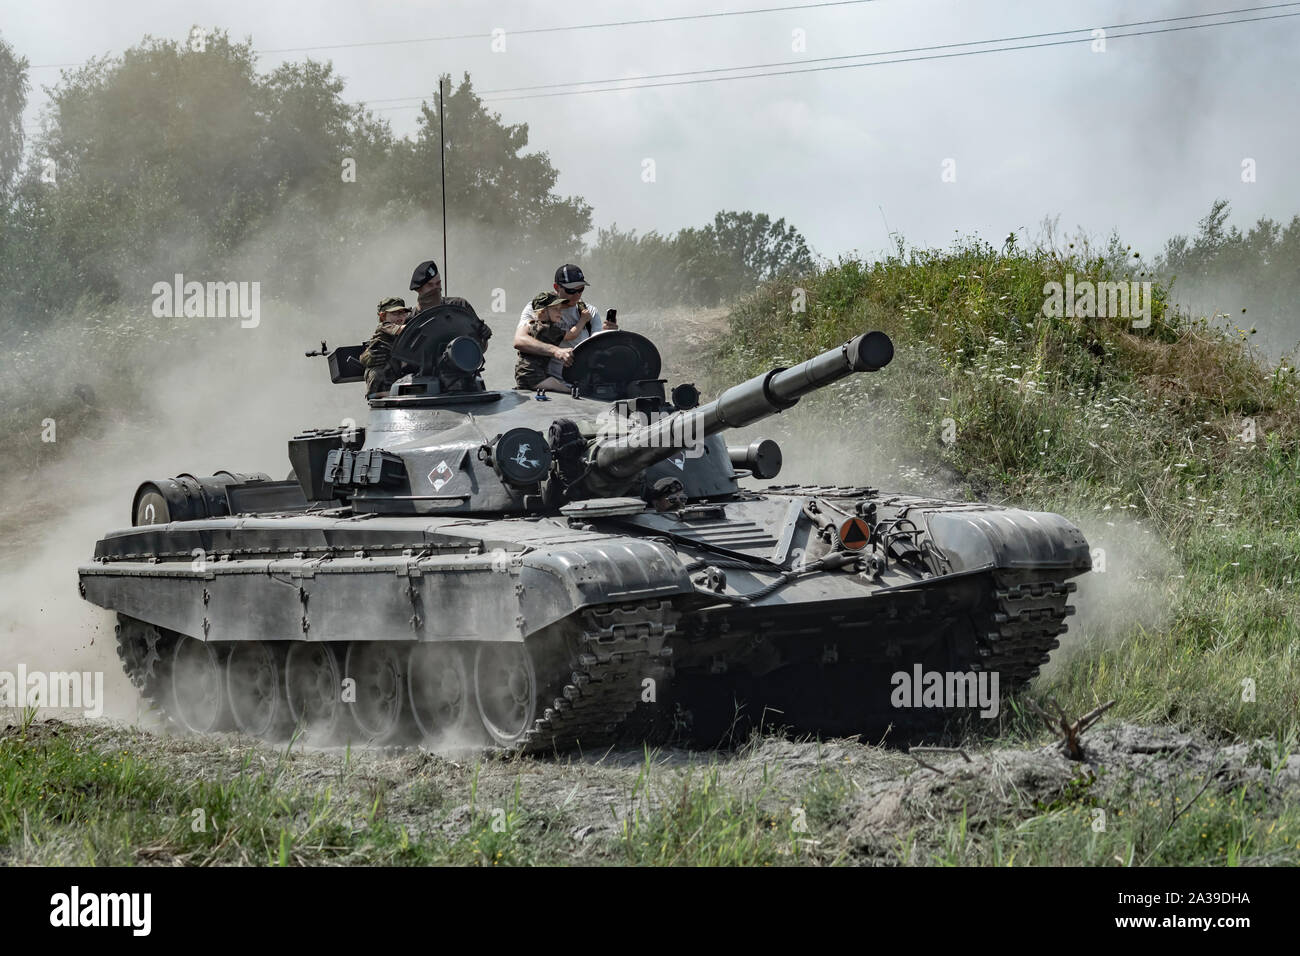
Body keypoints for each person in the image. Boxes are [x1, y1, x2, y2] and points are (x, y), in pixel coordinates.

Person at [515, 263, 614, 383]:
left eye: (581, 289)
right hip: (546, 383)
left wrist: (609, 336)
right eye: (571, 290)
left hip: (582, 384)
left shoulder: (589, 312)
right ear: (556, 287)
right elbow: (520, 340)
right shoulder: (538, 308)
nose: (577, 295)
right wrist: (556, 351)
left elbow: (597, 349)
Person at [408, 258, 492, 351]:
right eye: (430, 285)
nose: (436, 288)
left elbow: (481, 348)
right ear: (418, 289)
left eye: (438, 283)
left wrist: (483, 335)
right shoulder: (412, 319)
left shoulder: (459, 306)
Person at [514, 291, 572, 392]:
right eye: (555, 309)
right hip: (533, 375)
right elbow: (572, 335)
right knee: (560, 386)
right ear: (543, 312)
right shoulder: (548, 329)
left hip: (523, 373)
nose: (560, 313)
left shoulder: (531, 325)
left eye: (560, 309)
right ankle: (571, 391)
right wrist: (583, 320)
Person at [360, 296, 413, 396]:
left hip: (393, 374)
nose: (400, 316)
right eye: (395, 313)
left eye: (403, 313)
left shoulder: (404, 332)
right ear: (383, 316)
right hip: (379, 376)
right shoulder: (384, 326)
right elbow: (401, 329)